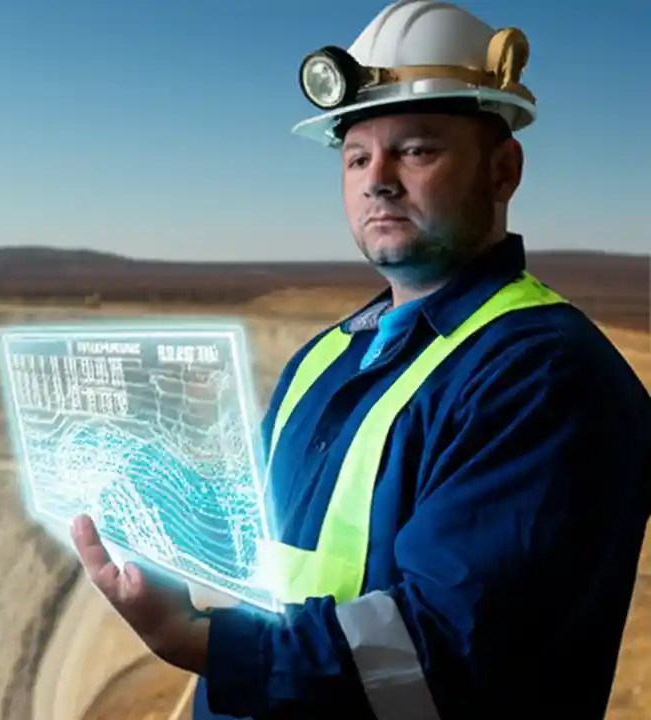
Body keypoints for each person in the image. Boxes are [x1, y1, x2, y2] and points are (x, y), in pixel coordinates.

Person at [70, 1, 651, 718]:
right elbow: (265, 555)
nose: (377, 179)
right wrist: (162, 504)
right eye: (355, 156)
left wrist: (201, 644)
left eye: (415, 150)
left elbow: (442, 651)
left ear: (504, 171)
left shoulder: (543, 377)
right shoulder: (327, 356)